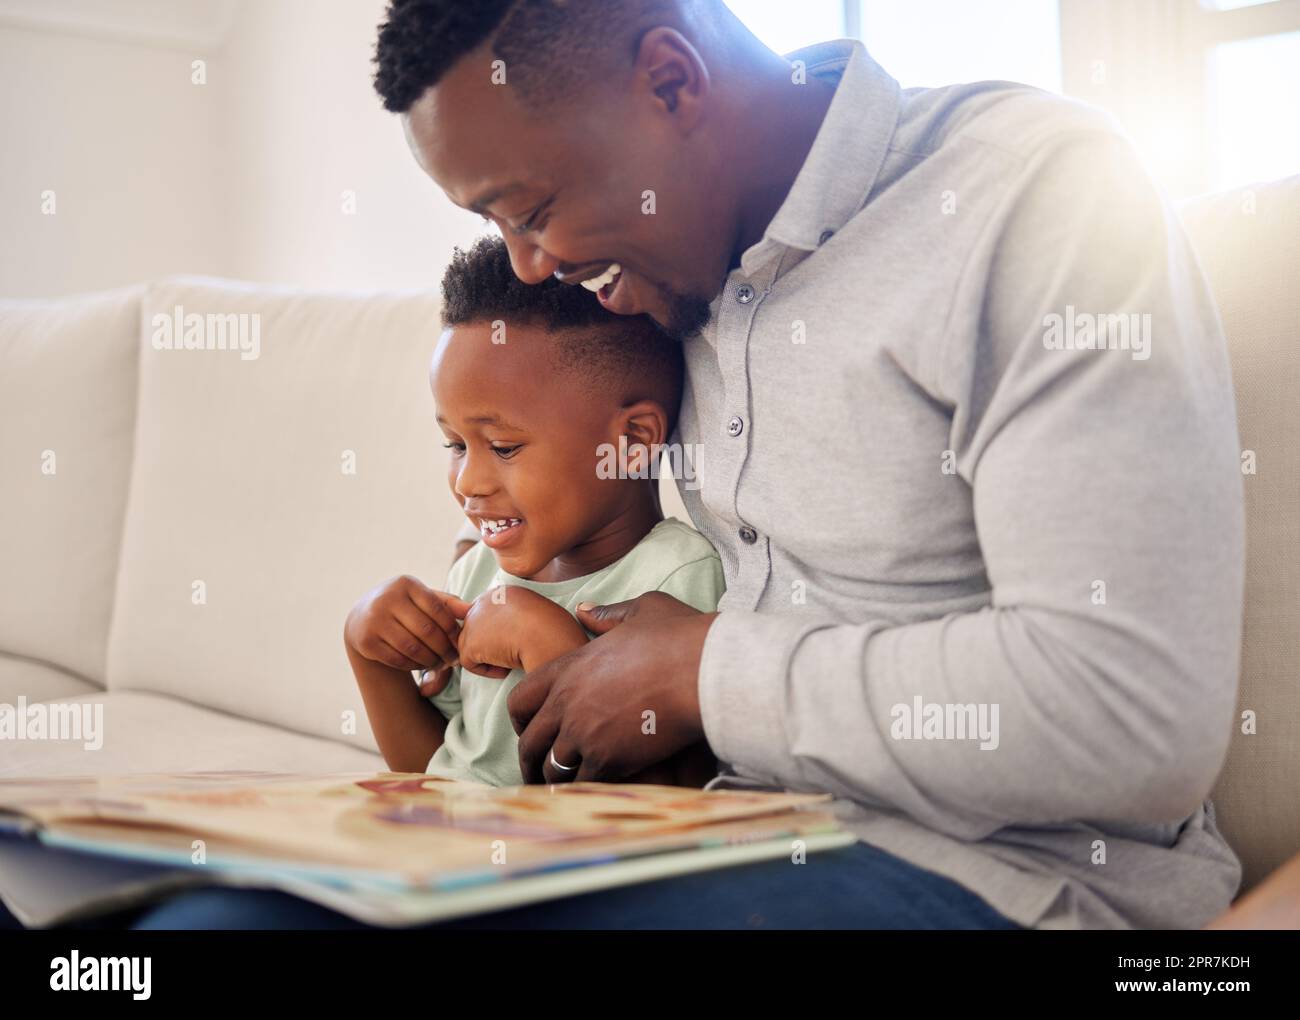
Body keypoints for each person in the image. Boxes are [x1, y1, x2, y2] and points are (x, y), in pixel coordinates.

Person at [124, 0, 1245, 929]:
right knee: (197, 923)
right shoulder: (656, 289)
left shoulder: (1033, 198)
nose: (535, 267)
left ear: (670, 82)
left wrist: (699, 673)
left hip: (977, 881)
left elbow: (1130, 718)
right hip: (683, 836)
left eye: (535, 211)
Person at [345, 234, 723, 786]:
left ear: (631, 442)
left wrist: (549, 645)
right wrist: (369, 655)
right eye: (455, 445)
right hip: (442, 850)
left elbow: (660, 804)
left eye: (503, 448)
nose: (468, 481)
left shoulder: (677, 579)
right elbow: (438, 775)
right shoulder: (479, 567)